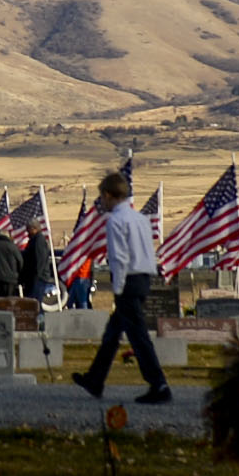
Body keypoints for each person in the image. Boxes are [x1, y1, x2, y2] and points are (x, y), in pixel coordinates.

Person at [71, 171, 170, 405]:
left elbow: (119, 257)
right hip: (144, 278)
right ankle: (95, 379)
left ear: (107, 195)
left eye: (102, 197)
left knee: (138, 336)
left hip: (128, 280)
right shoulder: (141, 219)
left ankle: (159, 384)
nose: (102, 202)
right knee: (112, 333)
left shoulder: (116, 220)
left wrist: (118, 288)